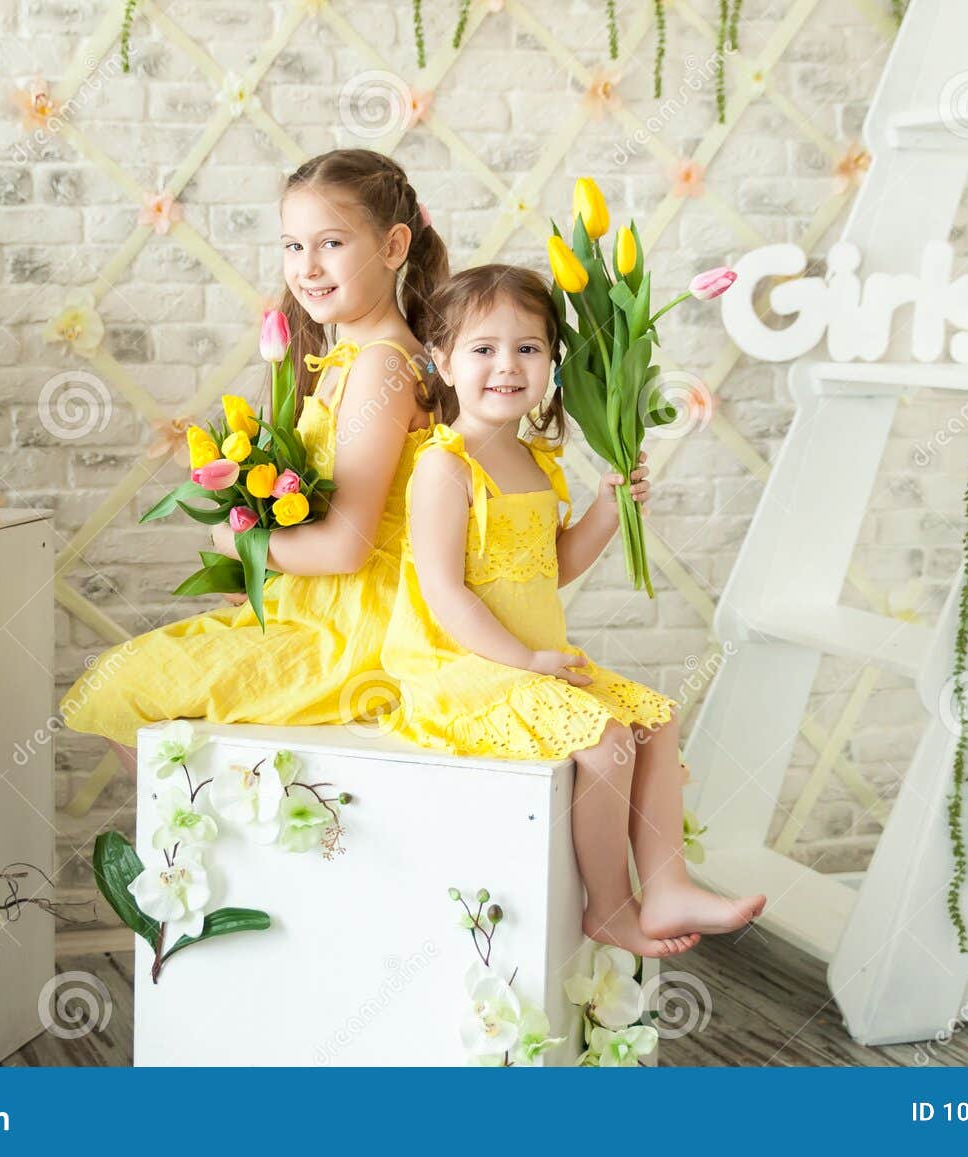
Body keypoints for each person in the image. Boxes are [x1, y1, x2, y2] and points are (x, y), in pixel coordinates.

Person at [379, 264, 765, 957]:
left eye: (528, 348)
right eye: (484, 348)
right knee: (609, 743)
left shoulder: (535, 463)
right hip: (462, 666)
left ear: (552, 363)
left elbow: (551, 566)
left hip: (529, 663)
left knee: (655, 721)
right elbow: (444, 593)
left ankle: (668, 885)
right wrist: (525, 659)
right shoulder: (445, 466)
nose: (507, 365)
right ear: (442, 361)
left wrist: (609, 507)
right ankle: (609, 905)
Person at [61, 149, 448, 770]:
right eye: (293, 246)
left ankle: (202, 835)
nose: (307, 267)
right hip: (323, 604)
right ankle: (210, 830)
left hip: (356, 629)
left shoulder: (381, 366)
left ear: (393, 246)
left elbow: (346, 549)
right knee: (133, 678)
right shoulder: (353, 358)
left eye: (331, 243)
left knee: (123, 684)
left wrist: (237, 542)